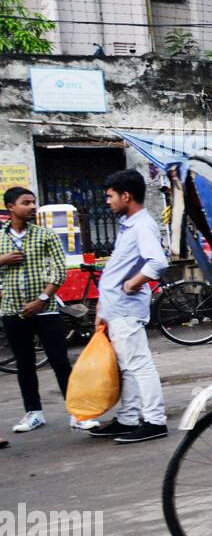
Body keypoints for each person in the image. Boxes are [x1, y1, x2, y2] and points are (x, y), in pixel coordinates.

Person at [0, 187, 96, 433]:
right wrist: (2, 261)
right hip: (12, 310)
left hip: (46, 309)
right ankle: (33, 413)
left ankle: (77, 413)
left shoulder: (45, 235)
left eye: (33, 202)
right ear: (11, 207)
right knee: (24, 363)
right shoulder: (0, 239)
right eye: (26, 203)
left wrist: (42, 299)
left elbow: (59, 270)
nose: (32, 207)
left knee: (60, 361)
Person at [86, 170, 170, 444]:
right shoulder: (129, 225)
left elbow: (157, 262)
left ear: (126, 196)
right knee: (127, 366)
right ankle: (128, 418)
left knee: (138, 365)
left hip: (126, 308)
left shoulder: (142, 225)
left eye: (110, 196)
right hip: (116, 308)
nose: (107, 202)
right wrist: (103, 306)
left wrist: (132, 284)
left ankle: (155, 421)